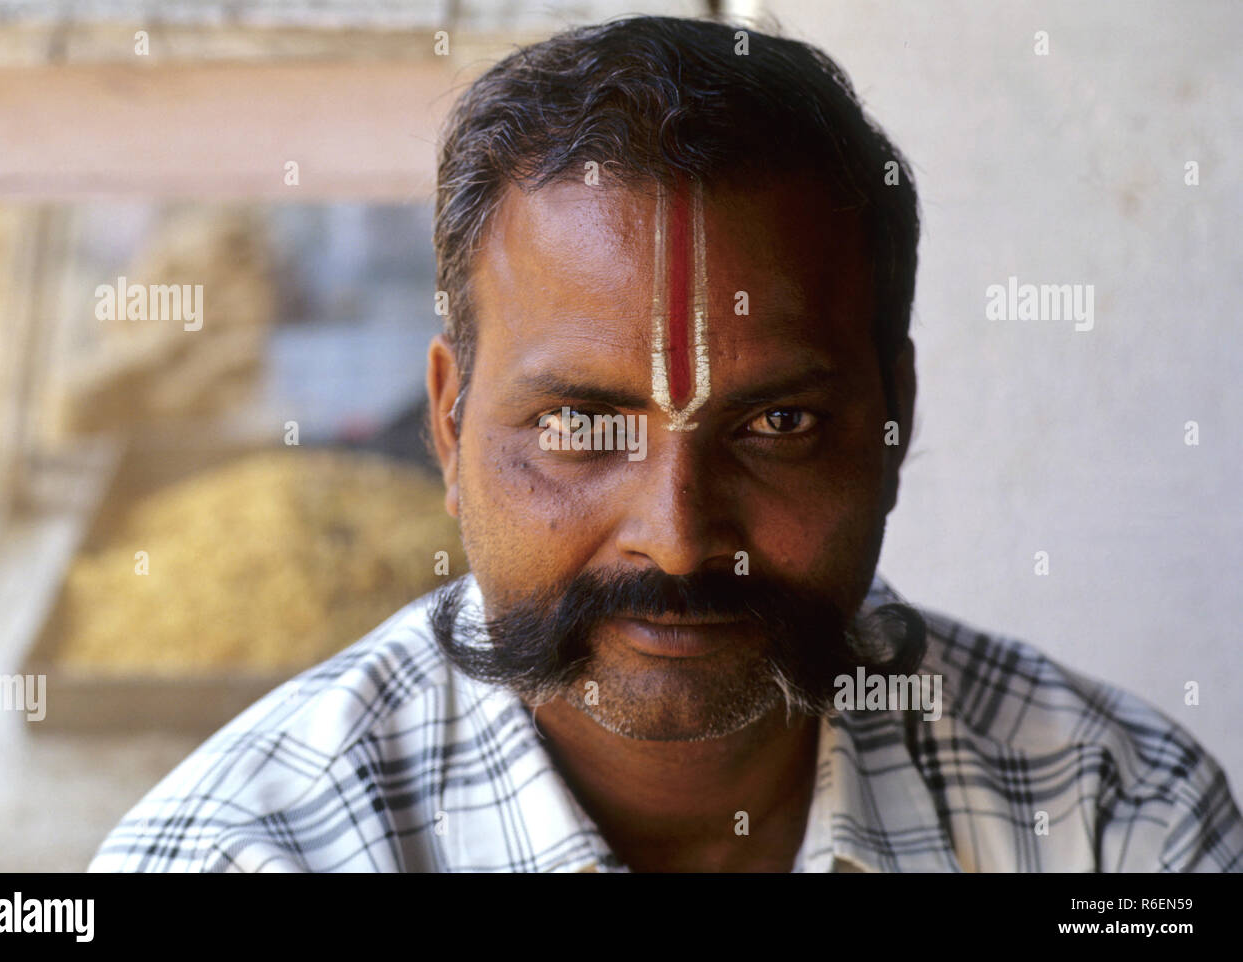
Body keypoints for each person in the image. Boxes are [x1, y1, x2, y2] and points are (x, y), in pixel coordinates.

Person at [89, 15, 1242, 873]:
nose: (680, 540)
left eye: (776, 424)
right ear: (449, 424)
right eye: (582, 424)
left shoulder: (1108, 820)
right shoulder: (238, 857)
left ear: (894, 414)